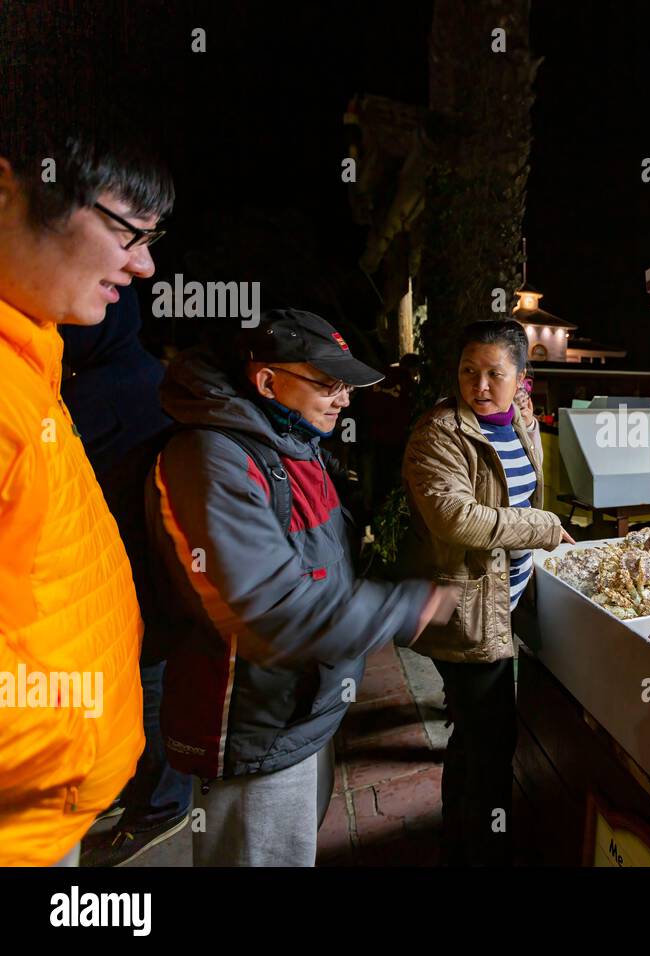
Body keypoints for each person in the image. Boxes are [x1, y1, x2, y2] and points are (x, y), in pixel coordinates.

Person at [145, 309, 457, 866]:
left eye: (346, 387)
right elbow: (272, 611)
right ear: (267, 381)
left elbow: (325, 560)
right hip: (254, 727)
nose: (343, 400)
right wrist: (407, 606)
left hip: (303, 714)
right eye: (328, 384)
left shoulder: (294, 440)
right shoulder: (210, 457)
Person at [0, 121, 172, 865]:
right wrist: (68, 741)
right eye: (130, 232)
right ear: (10, 193)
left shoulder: (31, 368)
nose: (145, 267)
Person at [400, 319, 574, 866]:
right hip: (468, 614)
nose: (478, 385)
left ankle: (464, 836)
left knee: (476, 737)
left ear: (521, 377)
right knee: (490, 743)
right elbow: (458, 519)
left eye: (494, 373)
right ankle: (481, 848)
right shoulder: (439, 434)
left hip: (508, 598)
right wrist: (543, 528)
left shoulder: (520, 419)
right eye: (468, 372)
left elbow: (519, 490)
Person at [60, 283, 193, 865]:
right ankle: (142, 792)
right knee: (146, 681)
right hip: (143, 570)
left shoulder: (102, 390)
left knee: (148, 682)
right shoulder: (134, 371)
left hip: (137, 575)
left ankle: (161, 805)